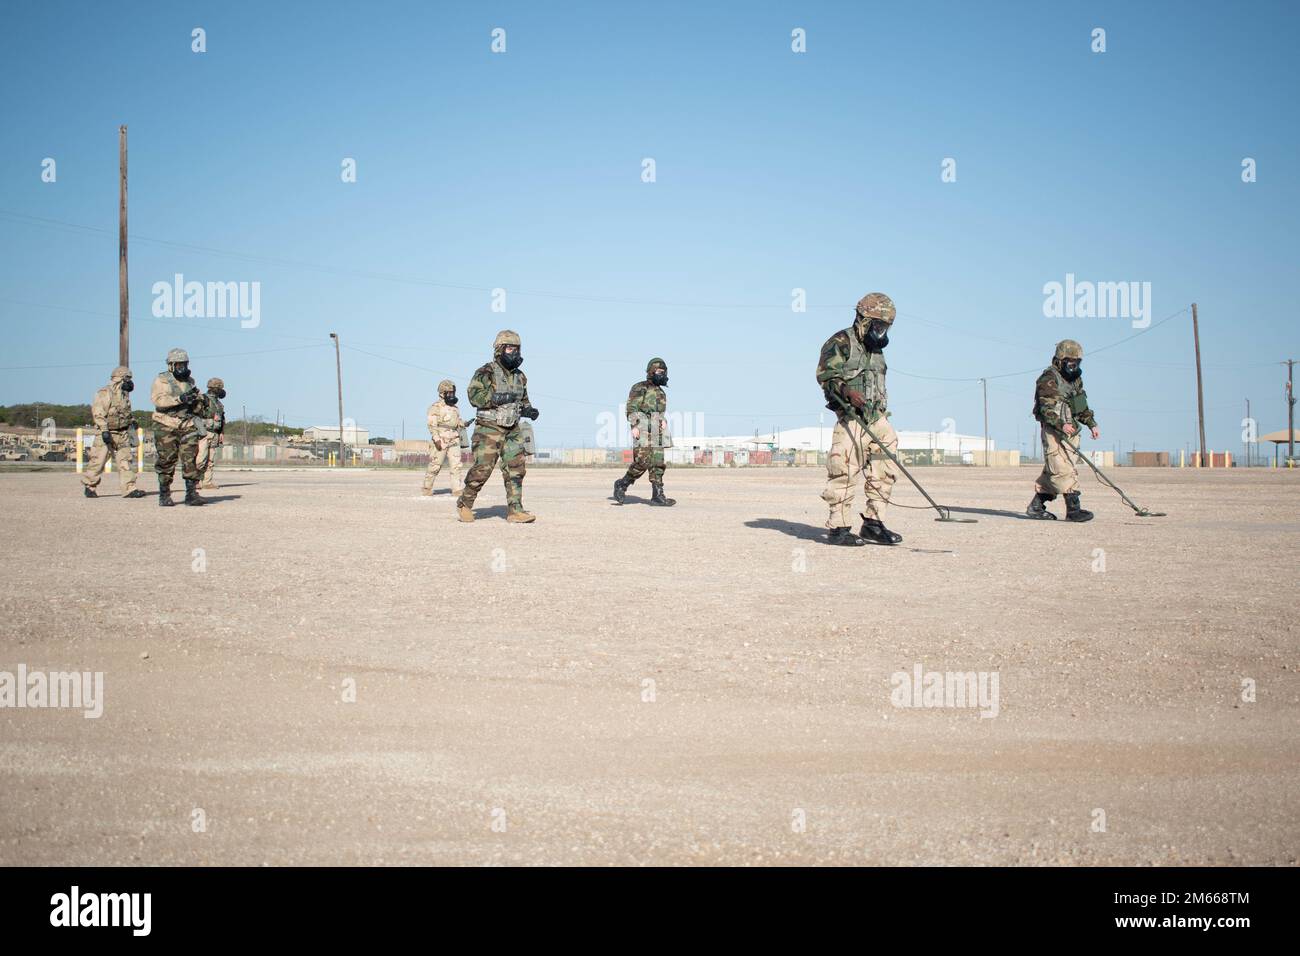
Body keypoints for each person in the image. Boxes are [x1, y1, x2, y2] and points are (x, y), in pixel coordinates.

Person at [815, 293, 903, 546]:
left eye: (885, 327)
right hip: (852, 418)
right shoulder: (841, 341)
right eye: (877, 325)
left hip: (877, 417)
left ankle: (874, 524)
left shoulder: (876, 349)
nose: (881, 331)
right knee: (843, 470)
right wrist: (846, 392)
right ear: (863, 320)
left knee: (884, 470)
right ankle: (839, 528)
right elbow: (827, 377)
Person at [455, 330, 539, 523]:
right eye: (510, 348)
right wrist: (495, 398)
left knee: (516, 469)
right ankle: (465, 504)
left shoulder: (520, 376)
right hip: (489, 428)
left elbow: (523, 400)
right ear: (500, 349)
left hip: (512, 429)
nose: (514, 352)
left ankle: (515, 510)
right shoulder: (486, 372)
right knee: (483, 468)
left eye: (517, 349)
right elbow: (473, 397)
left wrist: (529, 410)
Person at [1027, 339, 1099, 522]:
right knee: (1062, 469)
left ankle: (1036, 506)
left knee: (1056, 470)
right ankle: (1074, 510)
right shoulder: (1049, 378)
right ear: (1060, 360)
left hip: (1072, 431)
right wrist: (1061, 425)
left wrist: (1091, 424)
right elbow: (1046, 408)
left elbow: (1081, 405)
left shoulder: (1076, 380)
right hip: (1054, 431)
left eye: (1077, 362)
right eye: (1070, 362)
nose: (1073, 365)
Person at [612, 357, 675, 506]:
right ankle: (622, 484)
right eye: (660, 371)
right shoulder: (640, 387)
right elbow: (632, 408)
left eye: (664, 371)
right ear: (652, 371)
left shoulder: (661, 392)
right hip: (642, 426)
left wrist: (663, 420)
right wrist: (634, 426)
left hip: (657, 429)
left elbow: (659, 412)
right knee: (642, 462)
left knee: (658, 463)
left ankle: (658, 495)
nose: (662, 374)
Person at [151, 348, 206, 507]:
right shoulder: (161, 380)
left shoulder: (190, 381)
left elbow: (196, 404)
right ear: (171, 366)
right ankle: (164, 494)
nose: (181, 367)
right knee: (167, 460)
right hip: (166, 423)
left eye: (184, 364)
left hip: (187, 424)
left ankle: (191, 493)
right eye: (178, 364)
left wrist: (199, 401)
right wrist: (180, 399)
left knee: (190, 459)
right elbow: (158, 401)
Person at [82, 366, 147, 499]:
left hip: (122, 433)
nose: (130, 382)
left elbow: (124, 412)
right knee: (98, 461)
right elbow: (98, 413)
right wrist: (104, 430)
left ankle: (129, 488)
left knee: (125, 461)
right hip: (107, 432)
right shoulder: (104, 393)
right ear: (120, 378)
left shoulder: (124, 395)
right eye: (128, 379)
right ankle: (90, 486)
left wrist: (132, 421)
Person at [422, 379, 470, 496]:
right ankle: (427, 488)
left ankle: (457, 489)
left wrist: (465, 423)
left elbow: (457, 422)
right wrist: (436, 439)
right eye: (449, 393)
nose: (452, 395)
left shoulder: (455, 408)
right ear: (442, 393)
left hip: (454, 438)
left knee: (456, 465)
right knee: (435, 465)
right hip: (441, 438)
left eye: (453, 393)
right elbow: (432, 425)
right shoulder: (435, 407)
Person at [194, 377, 226, 489]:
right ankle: (195, 481)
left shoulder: (219, 404)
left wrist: (221, 432)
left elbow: (222, 419)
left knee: (210, 459)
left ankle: (207, 482)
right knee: (201, 458)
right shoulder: (203, 399)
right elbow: (195, 415)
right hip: (204, 432)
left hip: (215, 433)